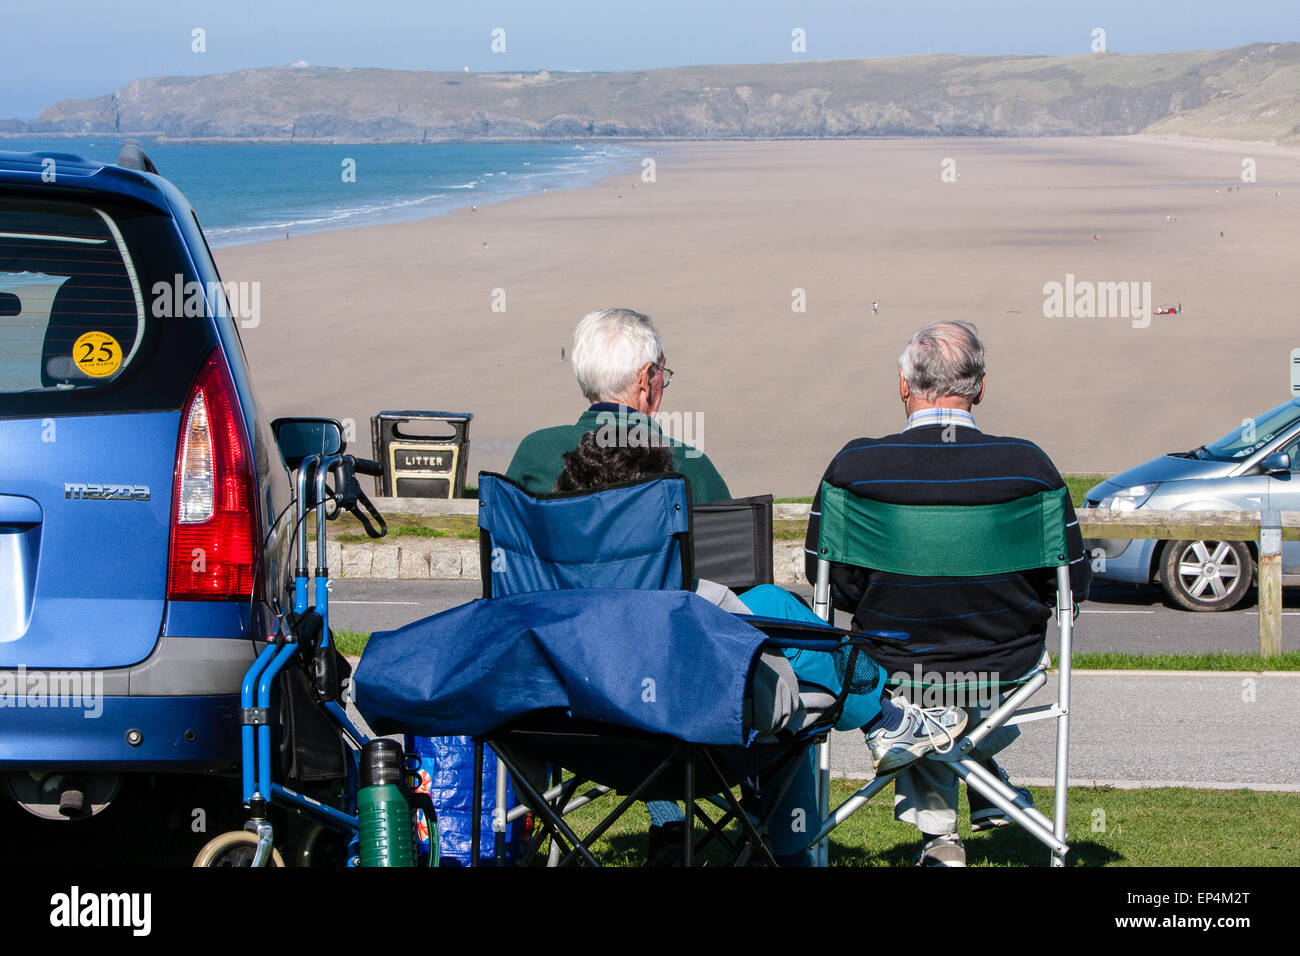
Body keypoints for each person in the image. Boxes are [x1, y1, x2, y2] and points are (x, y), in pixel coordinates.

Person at [553, 430, 968, 865]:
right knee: (781, 651)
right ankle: (881, 724)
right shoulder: (684, 597)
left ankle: (883, 724)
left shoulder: (547, 595)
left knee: (778, 672)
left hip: (576, 741)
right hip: (694, 741)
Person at [804, 320, 1090, 866]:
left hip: (892, 665)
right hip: (1003, 667)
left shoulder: (855, 468)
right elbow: (1071, 588)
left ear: (903, 385)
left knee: (923, 691)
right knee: (949, 691)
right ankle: (976, 765)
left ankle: (940, 838)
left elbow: (830, 585)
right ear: (981, 388)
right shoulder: (1030, 468)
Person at [507, 308, 729, 502]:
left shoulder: (535, 451)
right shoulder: (690, 467)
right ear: (646, 377)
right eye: (662, 372)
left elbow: (502, 537)